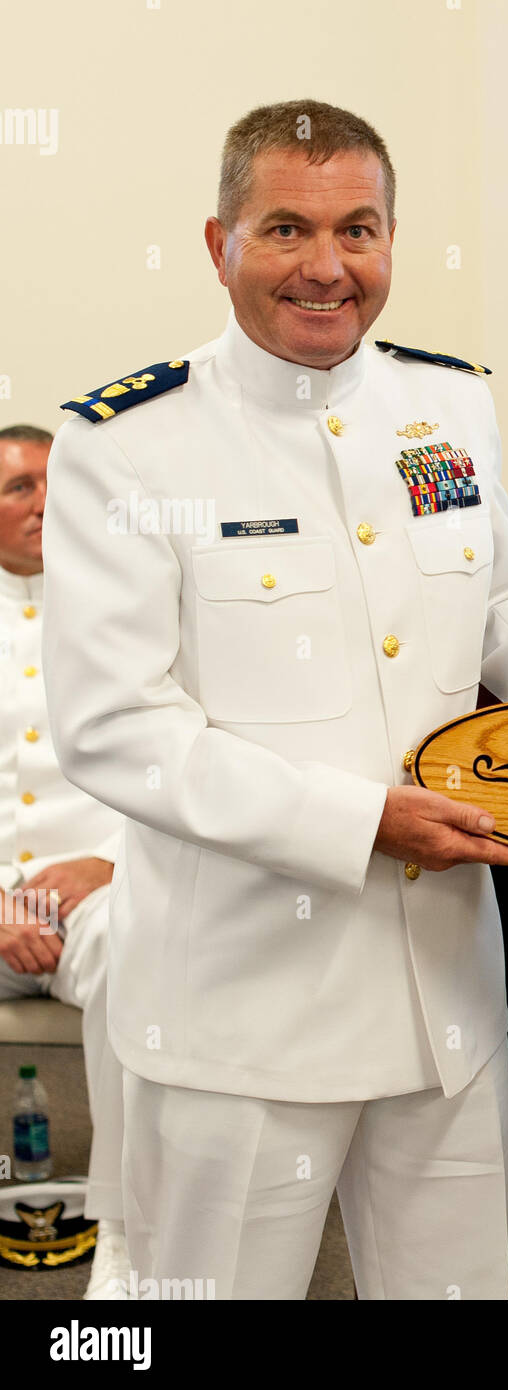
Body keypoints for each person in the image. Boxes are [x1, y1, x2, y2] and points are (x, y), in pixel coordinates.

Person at [39, 99, 508, 1301]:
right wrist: (366, 821)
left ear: (392, 237)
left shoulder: (448, 405)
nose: (327, 267)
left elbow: (506, 591)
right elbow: (115, 727)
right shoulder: (127, 445)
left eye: (358, 229)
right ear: (219, 246)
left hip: (445, 1008)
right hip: (233, 1022)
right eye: (285, 231)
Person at [0, 424, 130, 1299]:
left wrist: (109, 867)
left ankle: (130, 1245)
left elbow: (181, 761)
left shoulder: (132, 605)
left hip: (95, 892)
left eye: (54, 482)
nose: (41, 501)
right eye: (17, 488)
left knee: (149, 960)